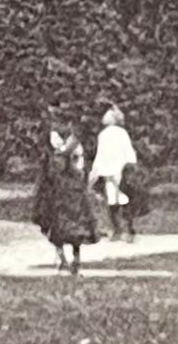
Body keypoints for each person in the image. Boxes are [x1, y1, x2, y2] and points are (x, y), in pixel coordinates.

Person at [30, 115, 99, 273]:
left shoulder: (67, 148)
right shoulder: (65, 147)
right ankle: (68, 260)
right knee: (62, 227)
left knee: (66, 227)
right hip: (62, 191)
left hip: (66, 191)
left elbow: (76, 169)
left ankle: (69, 260)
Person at [90, 104, 143, 241]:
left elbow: (100, 154)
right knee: (124, 198)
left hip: (109, 170)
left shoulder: (103, 135)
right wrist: (132, 165)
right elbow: (129, 151)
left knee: (112, 199)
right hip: (121, 169)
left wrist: (96, 171)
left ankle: (117, 230)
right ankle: (128, 229)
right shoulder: (121, 133)